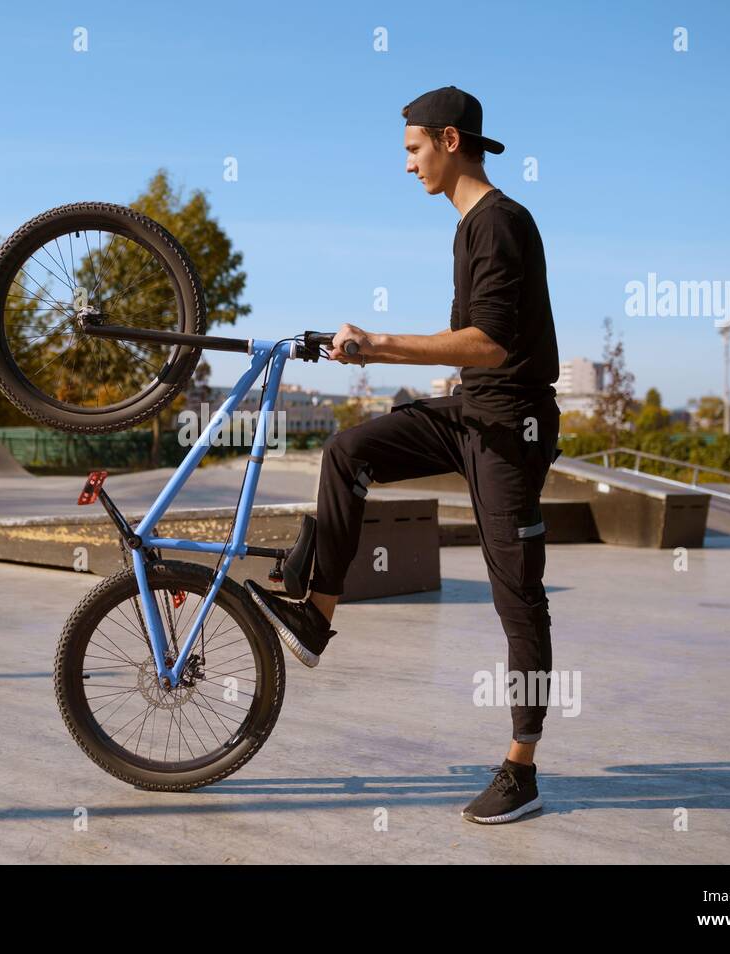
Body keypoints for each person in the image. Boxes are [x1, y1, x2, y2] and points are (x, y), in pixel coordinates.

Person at [245, 86, 562, 825]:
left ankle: (522, 766)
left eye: (414, 150)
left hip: (510, 427)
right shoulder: (467, 229)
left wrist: (377, 343)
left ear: (450, 141)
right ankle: (318, 612)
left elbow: (491, 342)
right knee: (350, 449)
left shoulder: (501, 223)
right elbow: (475, 351)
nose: (409, 165)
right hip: (474, 409)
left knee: (517, 595)